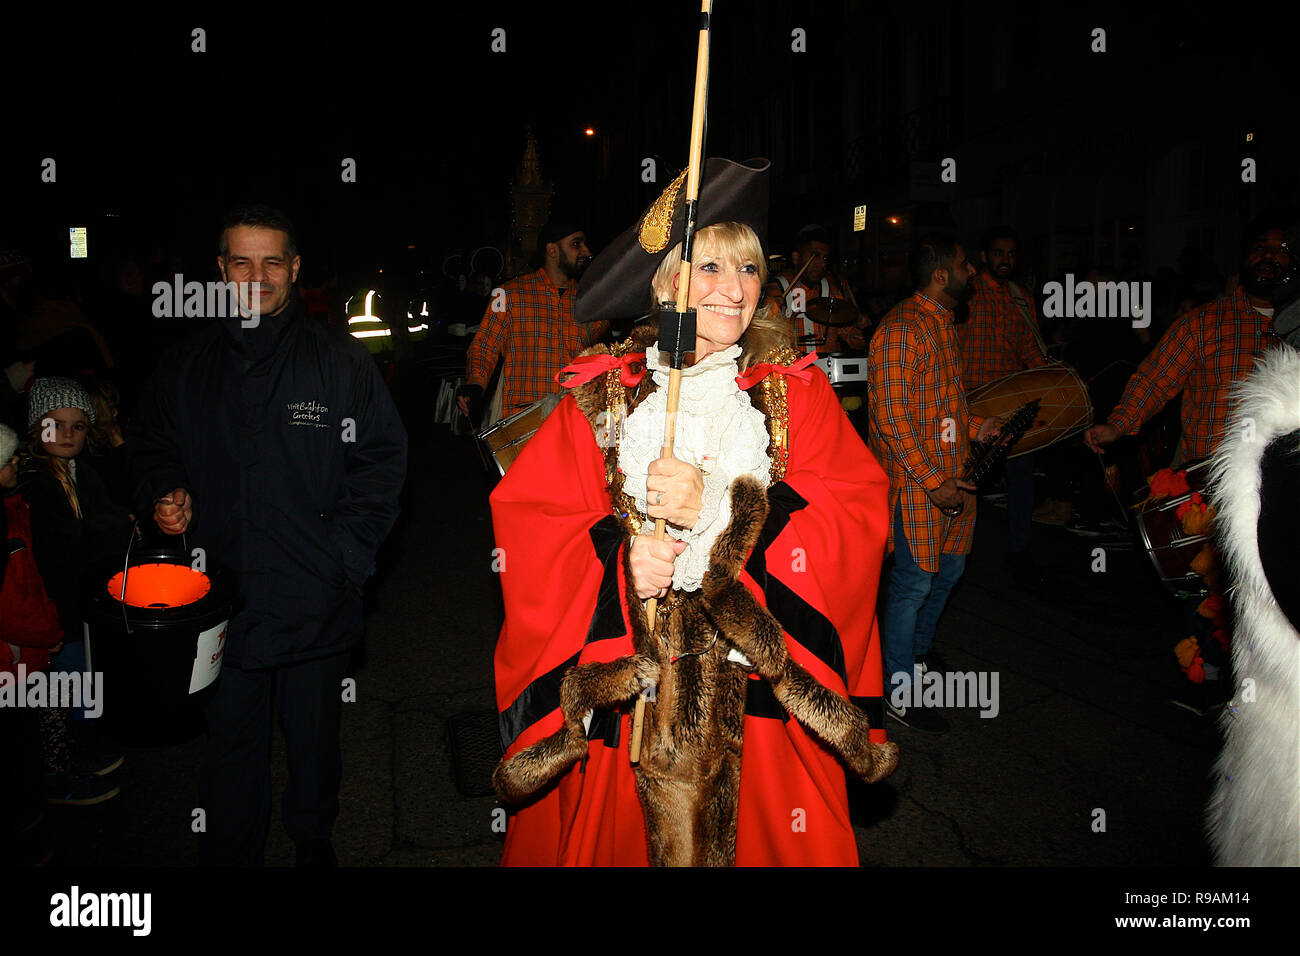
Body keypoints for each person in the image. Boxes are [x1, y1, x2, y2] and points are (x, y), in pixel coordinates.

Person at [490, 158, 897, 866]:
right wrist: (621, 564)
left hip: (760, 712)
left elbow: (857, 519)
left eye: (746, 270)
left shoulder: (793, 399)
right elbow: (531, 528)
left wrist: (724, 519)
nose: (734, 289)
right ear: (663, 284)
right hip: (634, 714)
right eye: (707, 267)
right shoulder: (603, 398)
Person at [130, 204, 407, 866]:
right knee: (230, 741)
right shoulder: (184, 366)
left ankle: (313, 838)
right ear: (220, 270)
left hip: (317, 598)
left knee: (315, 739)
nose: (258, 276)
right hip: (219, 599)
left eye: (272, 262)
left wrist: (343, 559)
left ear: (296, 268)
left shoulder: (338, 362)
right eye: (242, 262)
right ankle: (234, 849)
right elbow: (147, 443)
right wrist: (161, 492)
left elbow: (382, 462)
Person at [867, 234, 1001, 734]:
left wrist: (976, 426)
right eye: (967, 264)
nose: (975, 271)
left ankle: (916, 655)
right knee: (913, 583)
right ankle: (896, 690)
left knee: (949, 572)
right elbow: (891, 418)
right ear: (942, 274)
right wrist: (931, 481)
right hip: (916, 484)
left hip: (954, 478)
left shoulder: (942, 325)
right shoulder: (901, 329)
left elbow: (946, 405)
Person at [18, 377, 130, 804]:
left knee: (80, 677)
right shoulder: (34, 480)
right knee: (54, 694)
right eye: (55, 424)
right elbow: (61, 542)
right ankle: (60, 775)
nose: (67, 434)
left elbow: (106, 516)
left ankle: (81, 746)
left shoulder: (81, 472)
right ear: (35, 428)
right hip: (48, 608)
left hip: (77, 605)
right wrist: (117, 527)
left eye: (78, 426)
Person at [956, 226, 1048, 581]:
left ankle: (1019, 551)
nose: (1005, 260)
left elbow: (1031, 351)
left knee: (1020, 476)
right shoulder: (968, 293)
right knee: (964, 477)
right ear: (984, 256)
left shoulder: (1022, 298)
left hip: (1011, 405)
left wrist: (1051, 378)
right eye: (998, 253)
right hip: (971, 404)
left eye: (1011, 254)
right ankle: (957, 555)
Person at [458, 218, 605, 426]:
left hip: (574, 422)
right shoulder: (508, 294)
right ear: (552, 250)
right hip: (524, 423)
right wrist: (475, 386)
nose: (585, 251)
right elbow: (484, 347)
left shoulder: (589, 301)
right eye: (576, 244)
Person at [765, 224, 867, 355]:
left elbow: (854, 342)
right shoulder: (776, 289)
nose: (822, 263)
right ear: (796, 258)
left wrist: (860, 327)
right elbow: (762, 341)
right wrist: (768, 314)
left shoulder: (833, 289)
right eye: (815, 255)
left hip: (827, 371)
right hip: (793, 371)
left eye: (825, 258)